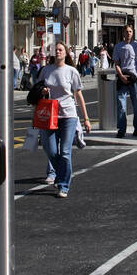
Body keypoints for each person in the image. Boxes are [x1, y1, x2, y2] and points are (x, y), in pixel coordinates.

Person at [34, 41, 91, 199]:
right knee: (51, 150)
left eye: (60, 50)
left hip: (68, 116)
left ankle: (63, 185)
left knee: (65, 152)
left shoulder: (72, 71)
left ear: (66, 53)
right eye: (56, 50)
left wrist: (86, 118)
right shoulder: (46, 70)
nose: (58, 52)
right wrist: (43, 90)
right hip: (49, 116)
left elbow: (78, 95)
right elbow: (36, 89)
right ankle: (61, 175)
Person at [114, 24, 137, 138]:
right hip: (123, 77)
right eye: (126, 31)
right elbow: (116, 64)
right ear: (123, 33)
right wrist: (121, 76)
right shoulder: (118, 46)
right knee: (121, 105)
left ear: (132, 33)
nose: (128, 33)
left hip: (135, 78)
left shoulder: (136, 45)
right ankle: (121, 129)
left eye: (130, 31)